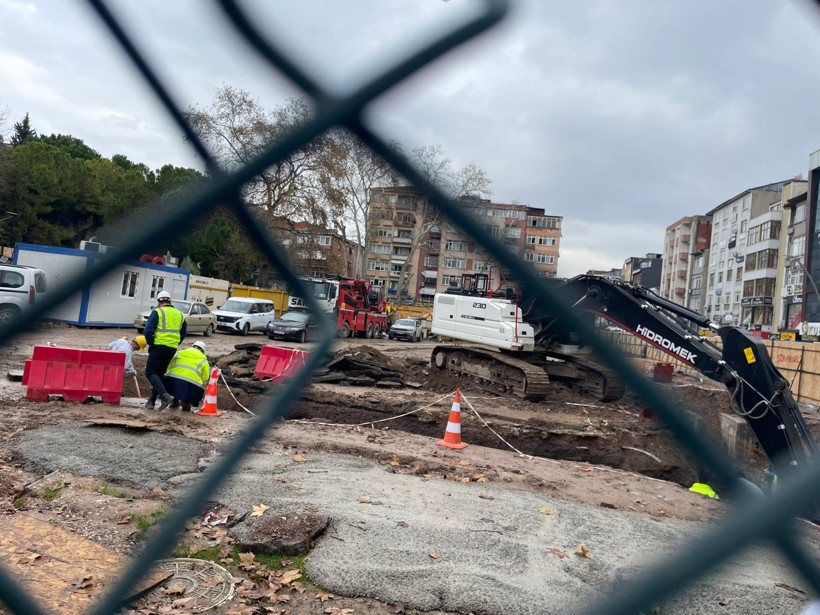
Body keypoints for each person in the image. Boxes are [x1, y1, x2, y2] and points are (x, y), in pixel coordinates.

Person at [144, 291, 187, 410]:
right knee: (159, 374)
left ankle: (165, 396)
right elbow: (183, 333)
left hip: (158, 347)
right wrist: (175, 343)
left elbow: (148, 331)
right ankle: (151, 402)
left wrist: (151, 343)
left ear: (159, 302)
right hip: (172, 348)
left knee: (150, 372)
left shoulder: (158, 311)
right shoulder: (180, 314)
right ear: (170, 302)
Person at [163, 340, 210, 412]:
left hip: (171, 381)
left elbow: (169, 367)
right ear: (203, 351)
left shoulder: (179, 353)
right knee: (197, 386)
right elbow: (205, 378)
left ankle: (174, 399)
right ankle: (186, 402)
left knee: (175, 380)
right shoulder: (204, 360)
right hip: (190, 386)